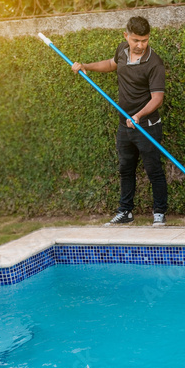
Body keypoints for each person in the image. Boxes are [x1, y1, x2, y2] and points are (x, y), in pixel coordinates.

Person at [71, 16, 168, 226]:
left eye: (144, 40)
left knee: (154, 170)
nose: (140, 45)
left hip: (147, 126)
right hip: (124, 124)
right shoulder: (122, 50)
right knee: (125, 169)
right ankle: (126, 212)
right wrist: (86, 66)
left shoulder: (154, 63)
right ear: (126, 36)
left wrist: (139, 116)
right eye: (135, 40)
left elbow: (157, 99)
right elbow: (111, 64)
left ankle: (159, 213)